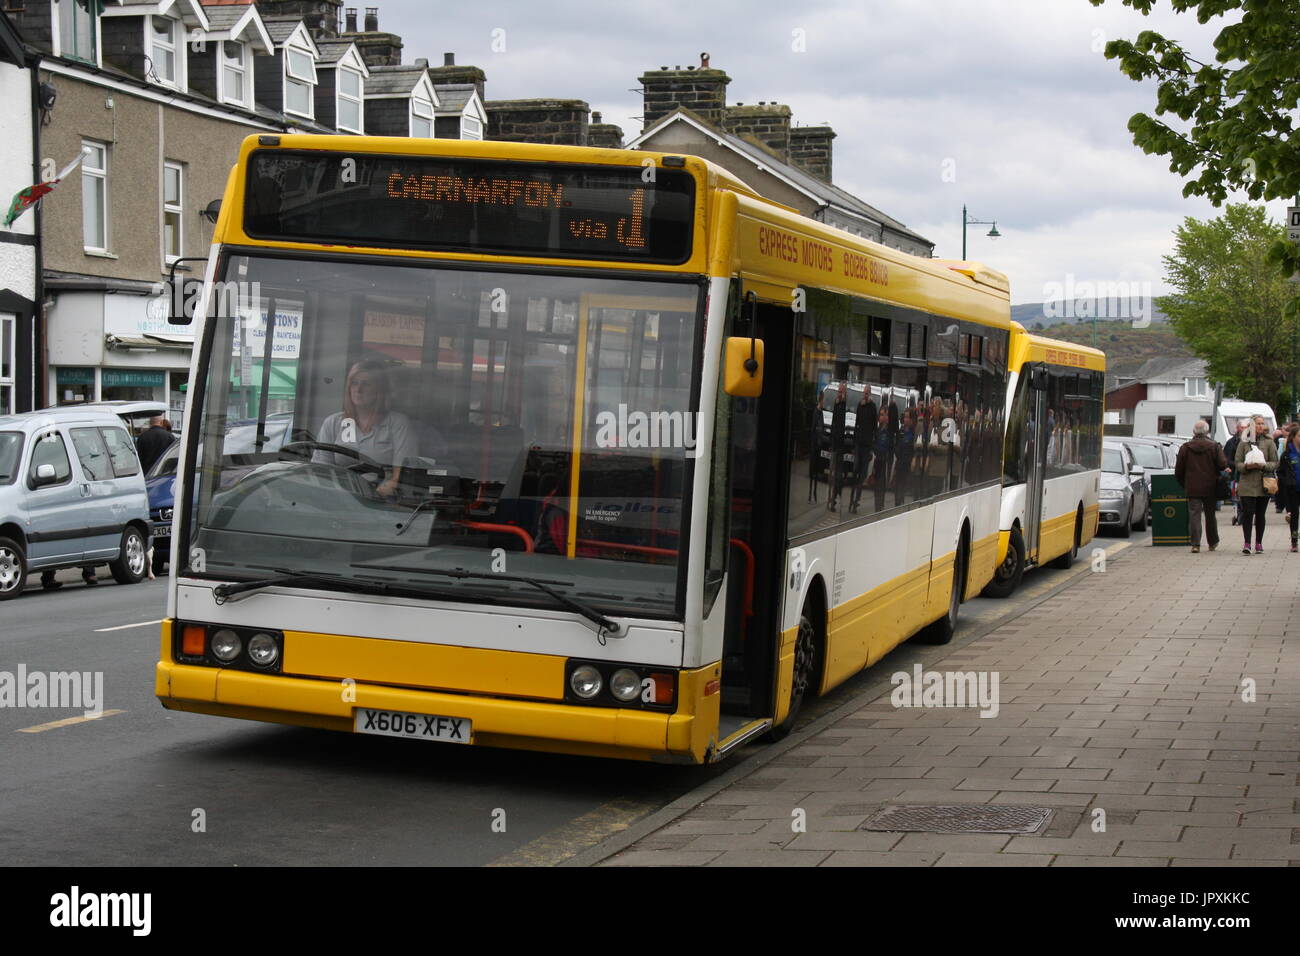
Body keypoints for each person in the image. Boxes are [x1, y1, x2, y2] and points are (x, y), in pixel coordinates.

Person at [313, 358, 417, 499]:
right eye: (354, 383)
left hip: (381, 502)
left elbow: (402, 477)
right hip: (338, 499)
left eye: (366, 384)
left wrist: (373, 496)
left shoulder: (398, 423)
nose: (358, 390)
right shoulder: (333, 423)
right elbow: (321, 471)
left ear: (380, 389)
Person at [1174, 419, 1228, 553]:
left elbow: (1178, 470)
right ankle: (1213, 542)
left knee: (1194, 515)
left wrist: (1185, 483)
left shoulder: (1185, 448)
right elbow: (1222, 464)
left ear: (1193, 432)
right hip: (1211, 486)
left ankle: (1195, 544)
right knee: (1210, 515)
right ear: (1207, 431)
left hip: (1192, 486)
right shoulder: (1215, 446)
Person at [1234, 415, 1278, 554]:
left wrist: (1263, 465)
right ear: (1251, 425)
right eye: (1258, 423)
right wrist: (1247, 466)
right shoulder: (1243, 442)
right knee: (1247, 513)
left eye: (1262, 423)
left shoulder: (1269, 442)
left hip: (1263, 483)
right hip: (1247, 484)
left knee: (1260, 514)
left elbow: (1275, 462)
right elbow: (1237, 463)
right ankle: (1247, 543)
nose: (1261, 426)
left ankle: (1258, 542)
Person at [1278, 424, 1300, 552]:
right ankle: (1294, 541)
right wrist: (1287, 481)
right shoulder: (1287, 454)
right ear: (1293, 437)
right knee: (1295, 517)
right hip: (1293, 490)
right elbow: (1280, 472)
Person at [1223, 418, 1247, 524]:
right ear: (1237, 428)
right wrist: (1239, 465)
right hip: (1235, 474)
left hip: (1248, 475)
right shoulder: (1231, 443)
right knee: (1238, 497)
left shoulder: (1251, 442)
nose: (1244, 429)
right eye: (1242, 427)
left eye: (1246, 427)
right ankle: (1240, 515)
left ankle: (1246, 515)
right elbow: (1227, 459)